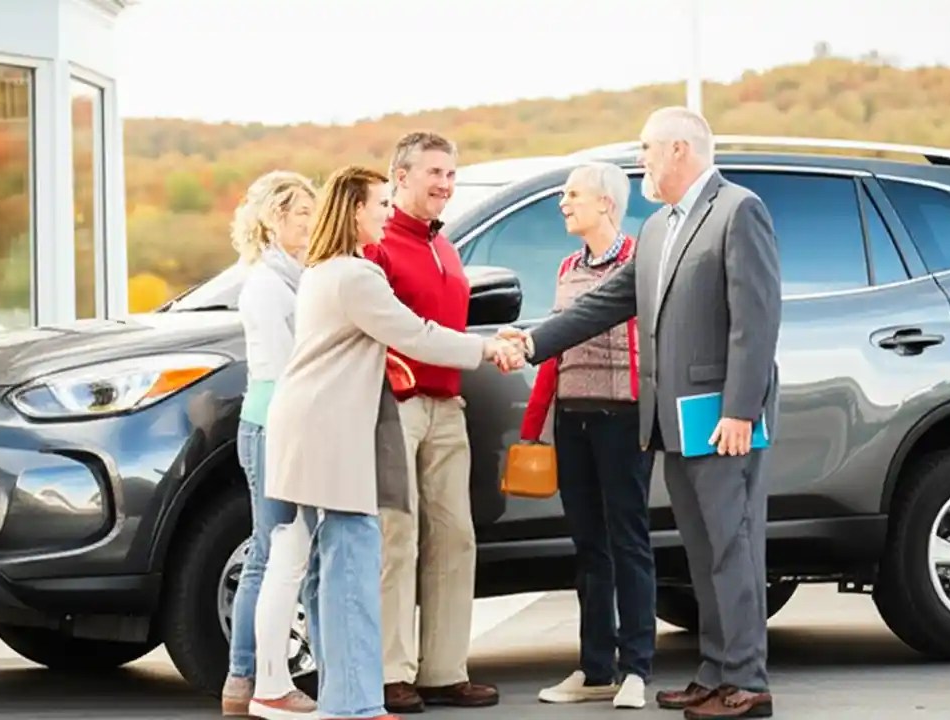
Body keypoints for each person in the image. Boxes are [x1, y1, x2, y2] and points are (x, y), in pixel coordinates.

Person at [500, 106, 782, 720]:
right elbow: (607, 302)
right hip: (674, 422)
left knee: (734, 550)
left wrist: (739, 409)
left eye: (648, 148)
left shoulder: (738, 210)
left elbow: (756, 322)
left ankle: (747, 683)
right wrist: (532, 341)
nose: (642, 160)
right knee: (704, 553)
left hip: (722, 418)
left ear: (681, 149)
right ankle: (715, 672)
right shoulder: (658, 229)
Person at [248, 165, 523, 720]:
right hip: (329, 434)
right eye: (378, 205)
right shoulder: (354, 276)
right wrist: (488, 348)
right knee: (351, 561)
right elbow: (414, 333)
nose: (384, 214)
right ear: (354, 210)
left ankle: (345, 699)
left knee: (327, 563)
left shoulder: (327, 271)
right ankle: (354, 706)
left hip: (311, 429)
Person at [361, 131, 499, 713]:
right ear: (400, 176)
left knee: (455, 537)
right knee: (398, 538)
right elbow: (371, 327)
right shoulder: (378, 246)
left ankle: (444, 670)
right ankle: (392, 672)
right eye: (434, 172)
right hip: (397, 407)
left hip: (449, 407)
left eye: (450, 174)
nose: (445, 183)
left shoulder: (446, 248)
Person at [519, 162, 656, 710]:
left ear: (606, 203)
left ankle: (637, 667)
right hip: (572, 417)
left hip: (622, 416)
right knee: (588, 547)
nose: (563, 203)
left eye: (572, 194)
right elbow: (558, 348)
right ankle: (596, 666)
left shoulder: (639, 261)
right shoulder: (567, 266)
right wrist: (535, 425)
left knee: (629, 540)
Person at [220, 170, 318, 718]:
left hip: (284, 422)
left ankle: (249, 681)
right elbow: (287, 370)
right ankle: (245, 678)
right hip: (273, 425)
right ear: (271, 219)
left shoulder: (297, 276)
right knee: (269, 555)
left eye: (311, 210)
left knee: (277, 554)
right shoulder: (265, 283)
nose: (309, 220)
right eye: (299, 212)